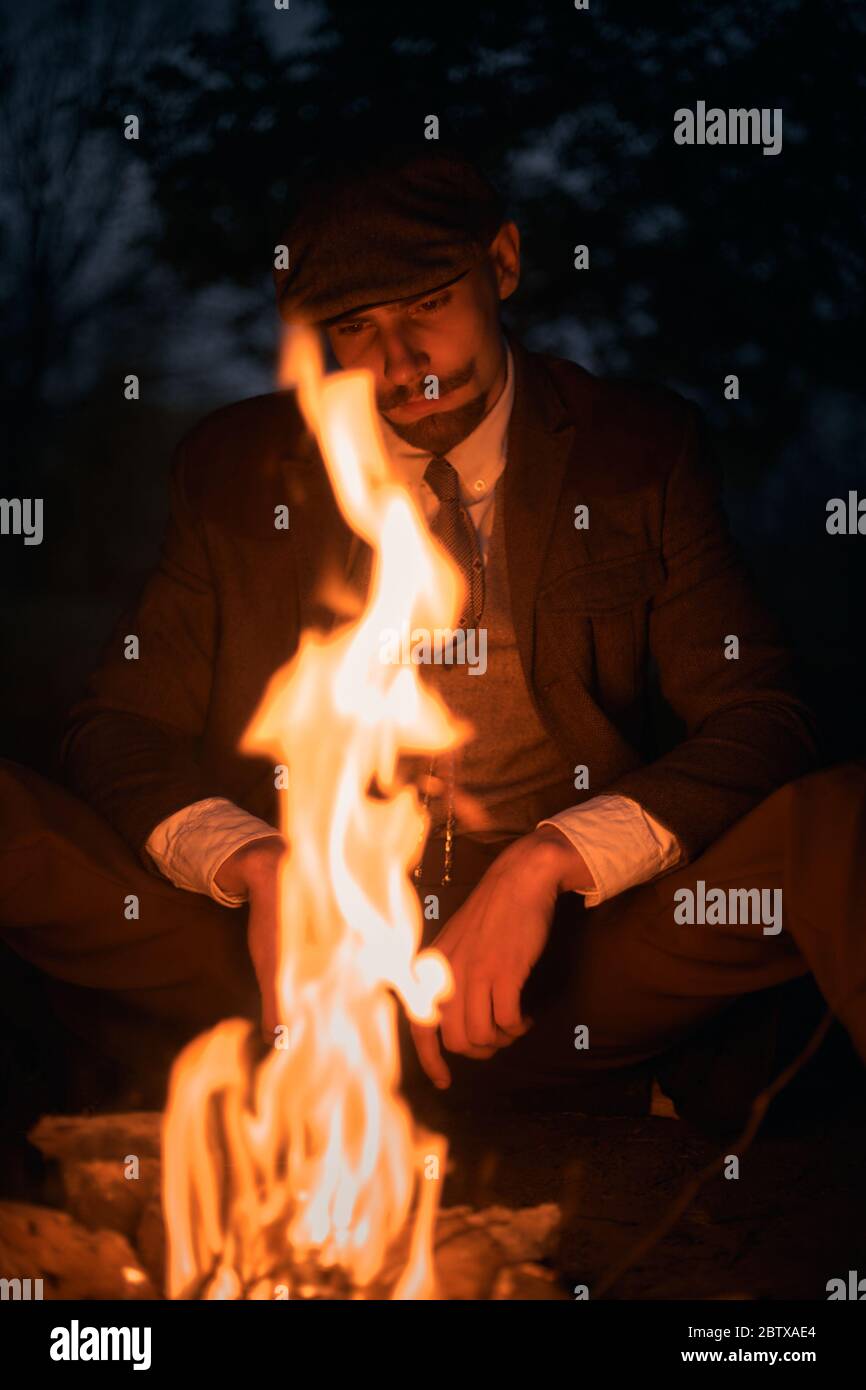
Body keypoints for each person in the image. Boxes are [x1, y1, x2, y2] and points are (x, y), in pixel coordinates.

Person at [2, 139, 864, 1114]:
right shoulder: (235, 472)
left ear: (499, 264)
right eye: (355, 326)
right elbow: (118, 723)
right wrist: (256, 865)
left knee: (837, 820)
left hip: (571, 971)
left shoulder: (632, 450)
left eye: (427, 305)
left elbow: (760, 712)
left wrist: (556, 857)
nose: (401, 361)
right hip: (273, 981)